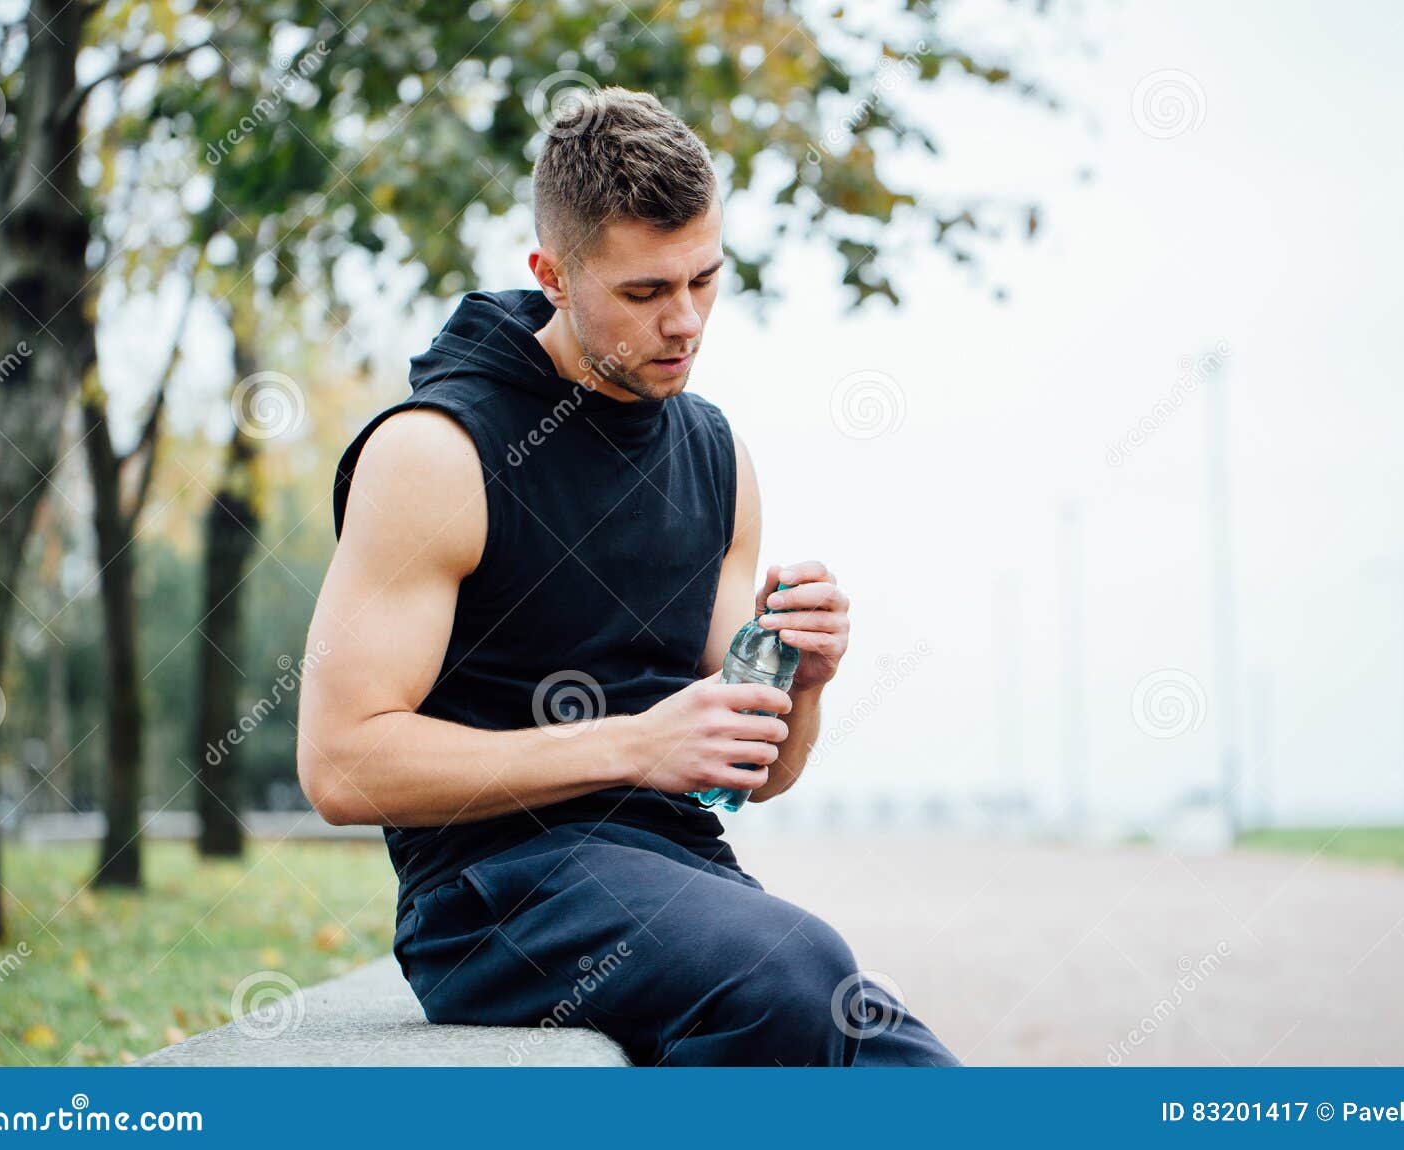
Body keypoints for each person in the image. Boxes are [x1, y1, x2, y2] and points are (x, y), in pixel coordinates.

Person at [297, 86, 958, 1066]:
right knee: (796, 970)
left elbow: (755, 771)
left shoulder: (713, 452)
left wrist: (805, 682)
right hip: (494, 894)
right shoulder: (435, 452)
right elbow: (342, 766)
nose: (685, 321)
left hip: (680, 871)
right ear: (551, 275)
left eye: (704, 279)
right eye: (645, 293)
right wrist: (631, 745)